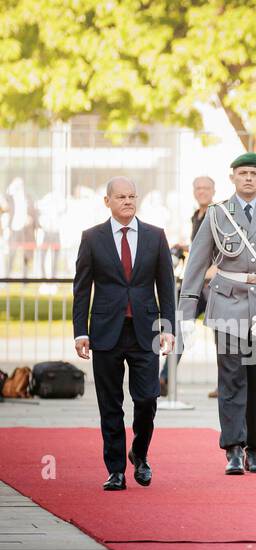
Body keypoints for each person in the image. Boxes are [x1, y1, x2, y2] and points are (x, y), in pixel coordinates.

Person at [179, 152, 256, 475]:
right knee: (231, 377)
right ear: (232, 178)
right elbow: (196, 264)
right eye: (243, 173)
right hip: (227, 304)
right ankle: (233, 449)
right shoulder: (217, 214)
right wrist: (185, 311)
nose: (249, 178)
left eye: (254, 173)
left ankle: (255, 448)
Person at [71, 177, 177, 490]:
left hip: (145, 331)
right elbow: (82, 290)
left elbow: (166, 287)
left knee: (147, 398)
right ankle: (115, 470)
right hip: (105, 333)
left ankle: (139, 454)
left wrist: (168, 328)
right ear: (108, 202)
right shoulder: (92, 238)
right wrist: (80, 332)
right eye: (121, 197)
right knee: (110, 404)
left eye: (132, 196)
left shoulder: (155, 237)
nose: (128, 201)